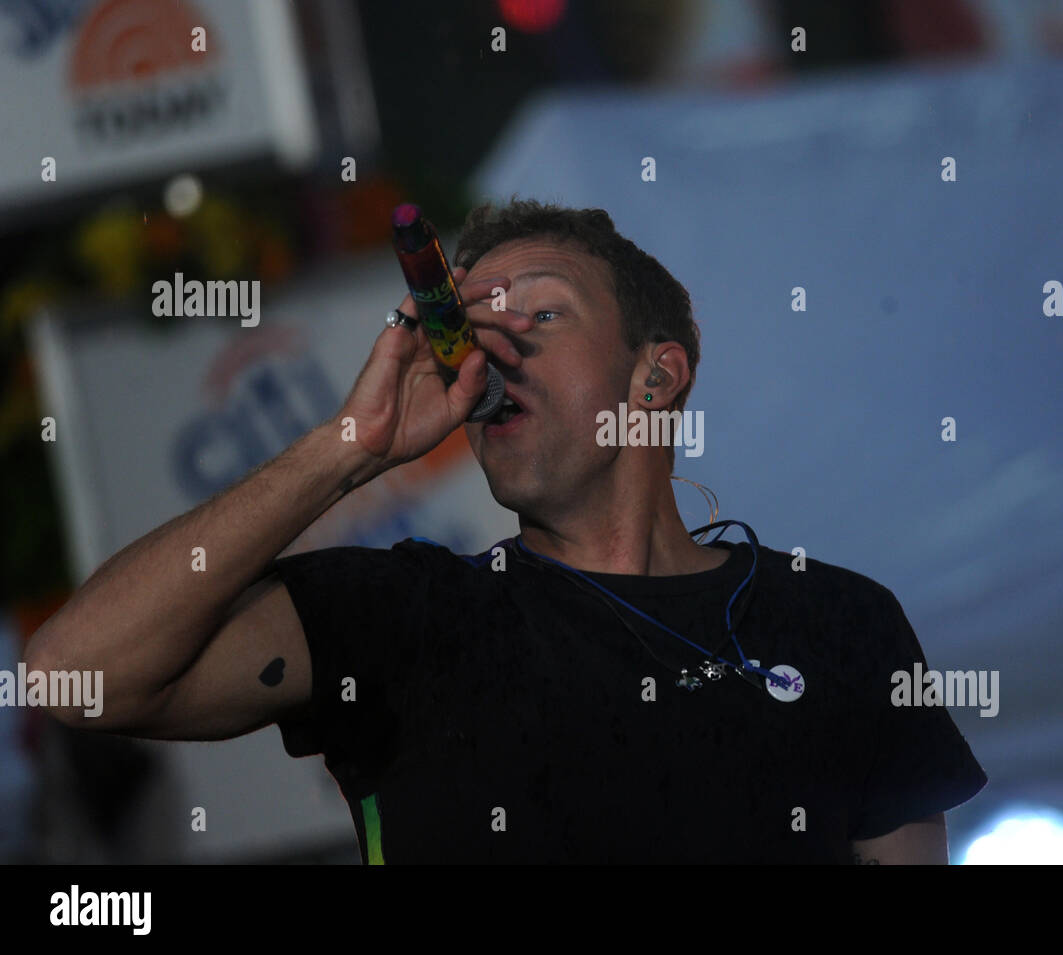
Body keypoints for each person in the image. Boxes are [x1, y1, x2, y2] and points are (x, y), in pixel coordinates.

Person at [24, 198, 986, 864]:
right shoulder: (410, 616)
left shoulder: (839, 621)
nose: (494, 344)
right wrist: (345, 449)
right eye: (478, 320)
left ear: (654, 377)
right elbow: (75, 672)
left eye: (544, 313)